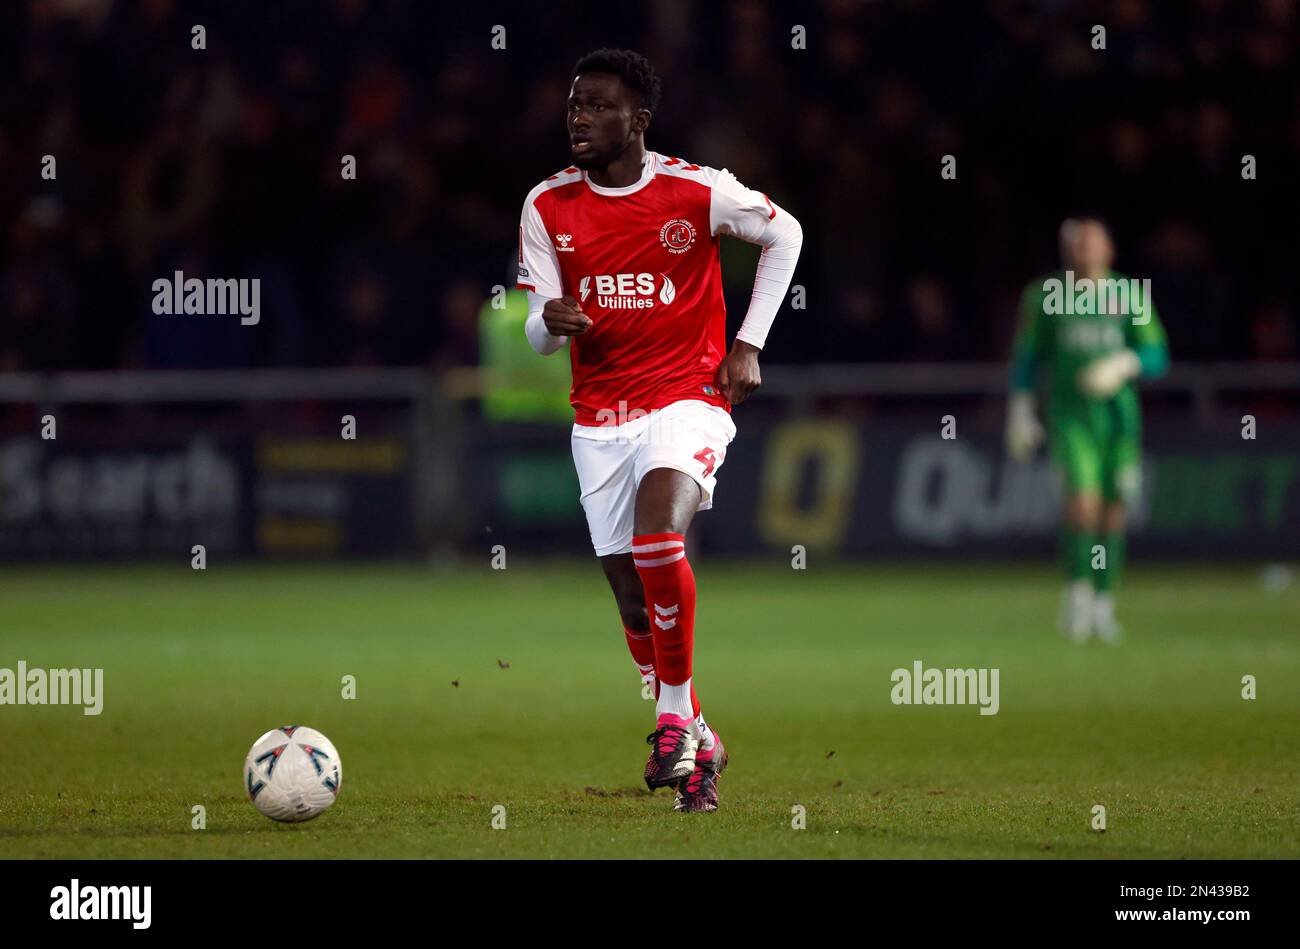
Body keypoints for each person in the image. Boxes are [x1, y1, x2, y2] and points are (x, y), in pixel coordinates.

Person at [516, 49, 802, 811]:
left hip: (687, 396)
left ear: (638, 121)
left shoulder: (695, 189)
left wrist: (750, 342)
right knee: (632, 598)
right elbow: (539, 335)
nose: (578, 117)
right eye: (575, 104)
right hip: (599, 416)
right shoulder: (545, 205)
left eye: (597, 106)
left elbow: (788, 235)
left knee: (658, 539)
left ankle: (672, 718)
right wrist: (547, 320)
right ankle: (702, 739)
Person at [1006, 217, 1169, 642]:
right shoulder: (1044, 296)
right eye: (1078, 245)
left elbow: (1156, 354)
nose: (1085, 252)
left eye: (1093, 244)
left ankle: (1104, 601)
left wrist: (1122, 364)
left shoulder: (1128, 295)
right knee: (1082, 504)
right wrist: (1021, 411)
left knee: (1113, 512)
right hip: (1070, 417)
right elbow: (1028, 358)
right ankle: (1077, 594)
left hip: (1118, 419)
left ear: (1109, 250)